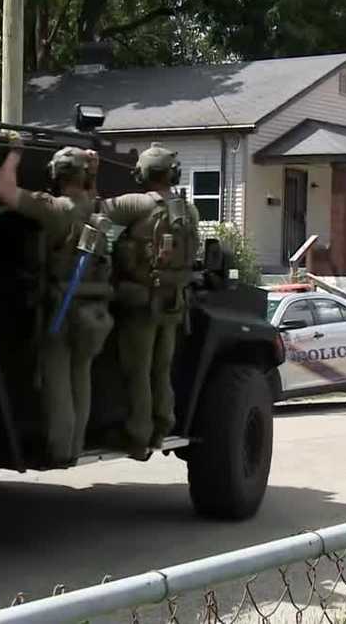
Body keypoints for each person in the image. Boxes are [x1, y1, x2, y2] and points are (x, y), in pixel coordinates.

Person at [0, 134, 114, 466]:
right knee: (81, 376)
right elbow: (90, 190)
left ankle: (61, 450)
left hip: (61, 309)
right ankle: (75, 446)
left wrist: (15, 153)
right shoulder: (92, 206)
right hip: (93, 309)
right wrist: (94, 168)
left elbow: (4, 191)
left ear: (56, 175)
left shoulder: (55, 209)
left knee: (58, 379)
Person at [102, 143, 199, 458]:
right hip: (173, 301)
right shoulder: (189, 210)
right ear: (173, 174)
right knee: (161, 368)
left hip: (140, 302)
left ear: (142, 173)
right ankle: (163, 425)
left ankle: (139, 435)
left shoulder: (137, 205)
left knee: (138, 370)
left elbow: (92, 210)